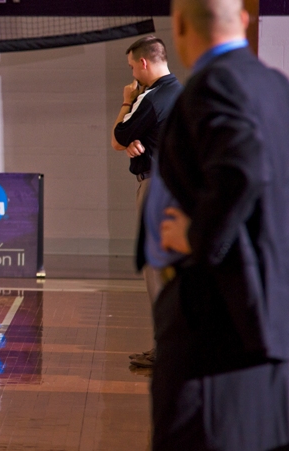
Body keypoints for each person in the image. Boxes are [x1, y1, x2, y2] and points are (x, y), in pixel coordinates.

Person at [145, 0, 289, 448]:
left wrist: (195, 235)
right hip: (267, 312)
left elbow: (243, 169)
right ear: (243, 20)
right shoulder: (275, 85)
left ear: (181, 24)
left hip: (217, 319)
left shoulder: (214, 84)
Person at [111, 36, 182, 368]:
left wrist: (126, 101)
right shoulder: (181, 93)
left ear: (143, 63)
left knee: (155, 268)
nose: (132, 77)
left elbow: (118, 136)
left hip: (155, 187)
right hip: (181, 189)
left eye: (131, 68)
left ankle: (166, 346)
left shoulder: (150, 97)